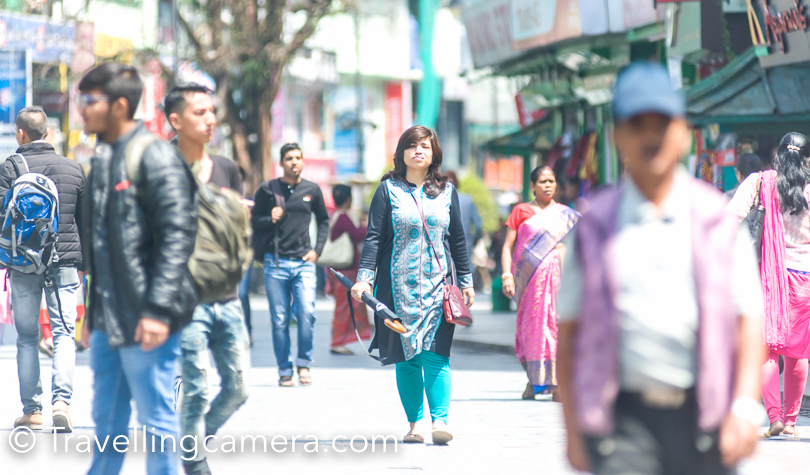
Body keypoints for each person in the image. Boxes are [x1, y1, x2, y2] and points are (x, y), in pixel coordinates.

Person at [556, 62, 764, 474]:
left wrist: (743, 406)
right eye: (637, 124)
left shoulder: (715, 220)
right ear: (617, 136)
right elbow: (570, 334)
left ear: (684, 134)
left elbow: (748, 319)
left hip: (705, 419)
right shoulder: (596, 223)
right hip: (622, 423)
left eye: (662, 123)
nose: (651, 136)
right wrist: (572, 429)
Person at [78, 62, 199, 475]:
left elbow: (177, 236)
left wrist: (158, 311)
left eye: (90, 101)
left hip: (148, 319)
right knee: (107, 425)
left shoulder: (156, 157)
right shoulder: (103, 158)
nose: (82, 110)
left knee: (158, 424)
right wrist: (91, 314)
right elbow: (102, 245)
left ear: (120, 106)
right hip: (108, 320)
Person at [350, 125, 475, 445]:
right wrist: (364, 279)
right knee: (406, 357)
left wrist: (466, 281)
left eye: (425, 146)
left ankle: (440, 420)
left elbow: (458, 239)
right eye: (412, 146)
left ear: (434, 154)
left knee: (436, 355)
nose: (419, 151)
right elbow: (374, 238)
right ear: (402, 152)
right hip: (396, 291)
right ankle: (415, 424)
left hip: (439, 290)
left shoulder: (447, 191)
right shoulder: (387, 190)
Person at [165, 83, 250, 475]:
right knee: (195, 390)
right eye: (200, 112)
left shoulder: (228, 169)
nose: (211, 119)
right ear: (176, 120)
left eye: (212, 110)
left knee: (238, 389)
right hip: (185, 299)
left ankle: (190, 443)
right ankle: (196, 463)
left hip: (228, 296)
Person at [1, 106, 87, 433]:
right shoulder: (73, 169)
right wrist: (86, 266)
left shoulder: (9, 169)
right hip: (65, 260)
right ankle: (61, 403)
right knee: (64, 332)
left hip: (23, 262)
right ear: (47, 133)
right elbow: (85, 222)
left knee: (26, 337)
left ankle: (32, 410)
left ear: (20, 133)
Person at [728, 133, 810, 438]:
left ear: (776, 154)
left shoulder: (760, 181)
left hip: (768, 275)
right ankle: (790, 422)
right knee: (797, 352)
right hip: (804, 278)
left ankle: (773, 417)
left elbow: (729, 217)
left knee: (765, 348)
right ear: (805, 158)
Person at [252, 143, 329, 386]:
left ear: (303, 161)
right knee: (280, 318)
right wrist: (269, 217)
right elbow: (253, 220)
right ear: (281, 162)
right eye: (289, 158)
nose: (294, 162)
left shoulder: (312, 190)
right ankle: (285, 369)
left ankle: (303, 364)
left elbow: (324, 221)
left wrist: (317, 252)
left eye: (297, 157)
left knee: (307, 312)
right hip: (275, 263)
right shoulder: (267, 189)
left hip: (304, 263)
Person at [501, 165, 579, 400]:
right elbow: (507, 247)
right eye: (543, 181)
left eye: (552, 181)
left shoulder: (567, 214)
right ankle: (533, 381)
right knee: (530, 330)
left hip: (560, 280)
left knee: (556, 328)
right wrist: (506, 276)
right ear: (532, 186)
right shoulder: (521, 211)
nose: (548, 185)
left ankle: (557, 383)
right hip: (529, 284)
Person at [325, 184, 371, 355]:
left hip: (339, 270)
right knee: (343, 306)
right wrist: (371, 227)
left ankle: (339, 340)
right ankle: (337, 341)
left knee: (343, 305)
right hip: (345, 271)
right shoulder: (343, 217)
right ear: (348, 199)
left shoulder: (334, 216)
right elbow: (357, 235)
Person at [445, 171, 482, 260]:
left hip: (444, 243)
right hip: (465, 242)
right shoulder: (468, 200)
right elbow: (478, 225)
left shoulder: (438, 199)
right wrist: (475, 240)